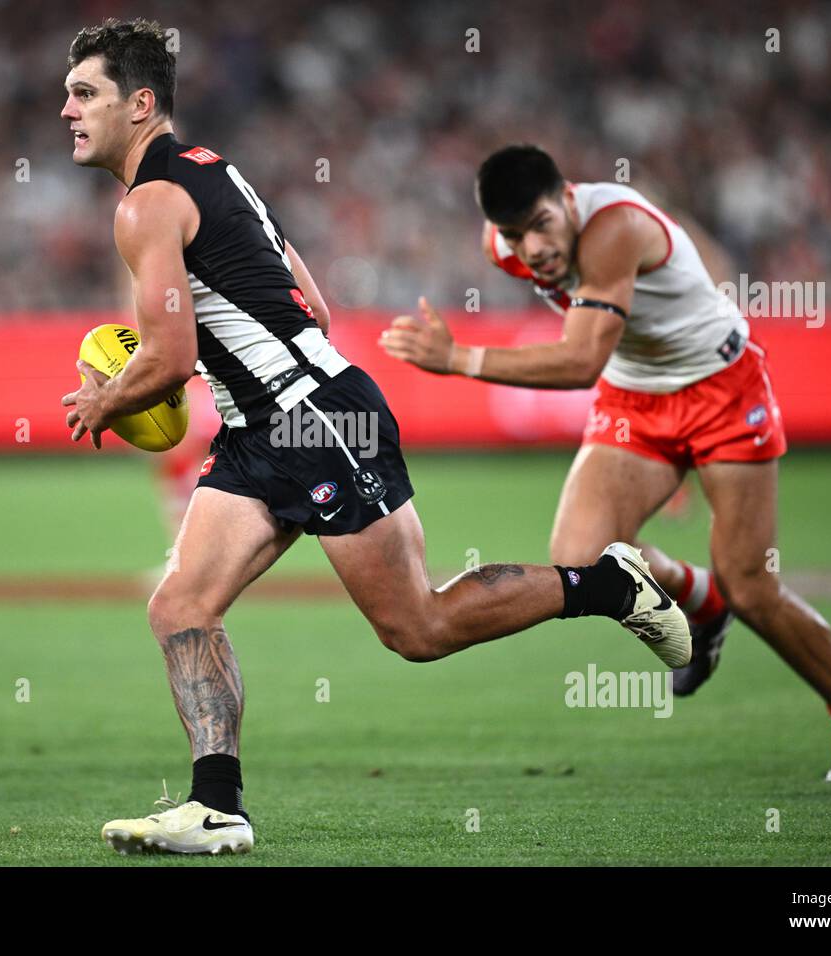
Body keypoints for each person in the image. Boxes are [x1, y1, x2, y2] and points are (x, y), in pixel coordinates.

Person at [57, 21, 692, 855]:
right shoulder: (218, 176)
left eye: (84, 93)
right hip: (264, 427)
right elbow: (312, 309)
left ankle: (605, 586)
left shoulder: (145, 206)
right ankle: (217, 806)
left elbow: (171, 356)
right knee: (180, 604)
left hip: (318, 420)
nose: (65, 110)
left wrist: (109, 400)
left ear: (140, 105)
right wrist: (236, 370)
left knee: (416, 629)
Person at [380, 144, 831, 783]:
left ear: (568, 198)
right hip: (635, 400)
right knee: (584, 560)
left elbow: (579, 362)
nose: (532, 247)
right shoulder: (506, 243)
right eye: (516, 235)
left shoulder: (614, 227)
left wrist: (460, 360)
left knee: (755, 589)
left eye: (542, 225)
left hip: (722, 390)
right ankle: (705, 602)